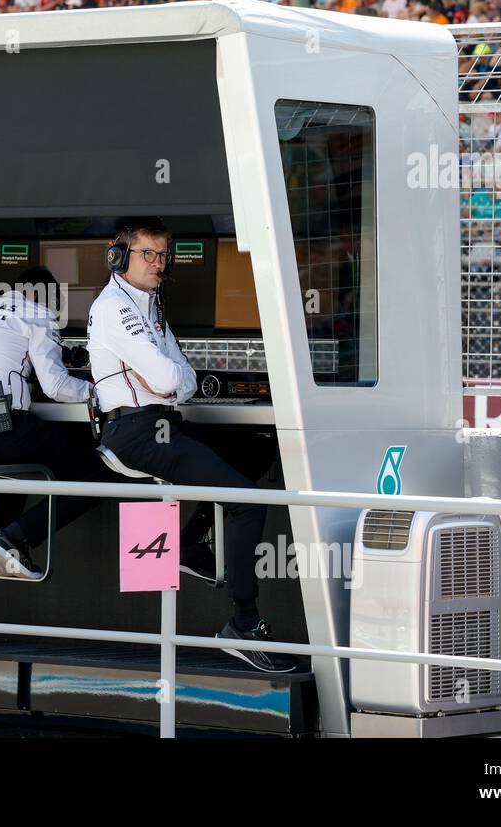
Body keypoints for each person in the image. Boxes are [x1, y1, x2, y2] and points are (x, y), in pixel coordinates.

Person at [86, 218, 297, 673]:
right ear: (118, 256)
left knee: (255, 451)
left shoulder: (150, 305)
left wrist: (172, 380)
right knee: (249, 504)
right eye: (148, 254)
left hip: (163, 422)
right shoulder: (114, 308)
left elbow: (183, 379)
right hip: (135, 432)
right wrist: (171, 380)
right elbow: (168, 377)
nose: (158, 264)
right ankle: (243, 623)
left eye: (163, 255)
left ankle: (186, 544)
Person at [0, 266, 113, 579]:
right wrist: (99, 391)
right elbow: (56, 387)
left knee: (25, 457)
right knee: (97, 471)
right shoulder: (36, 312)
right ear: (39, 295)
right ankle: (14, 537)